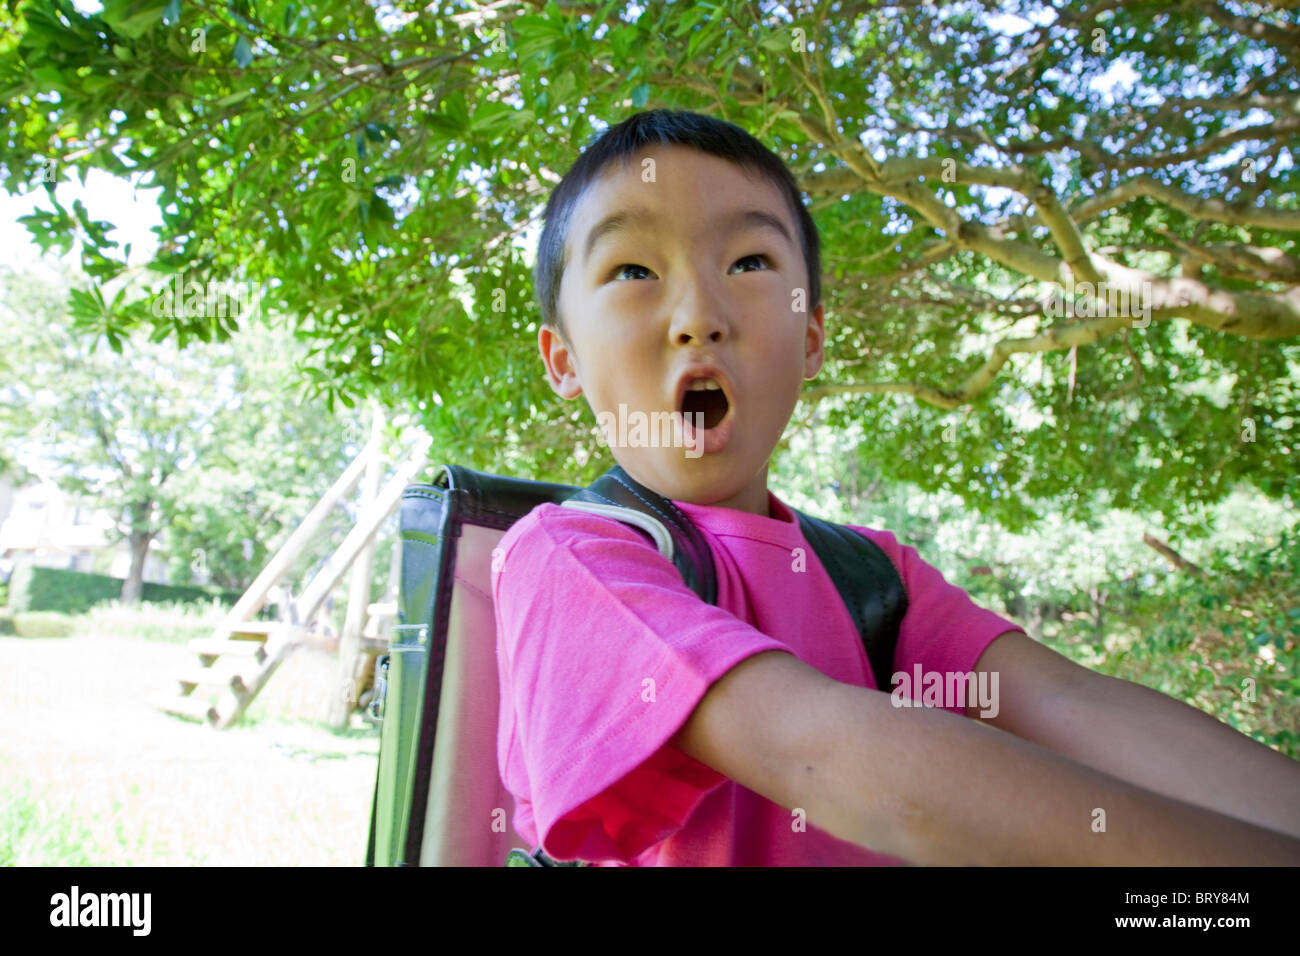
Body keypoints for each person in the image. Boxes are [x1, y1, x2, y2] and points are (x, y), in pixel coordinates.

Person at [490, 108, 1300, 866]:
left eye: (749, 261)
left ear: (811, 341)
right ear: (563, 360)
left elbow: (1069, 706)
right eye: (633, 268)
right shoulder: (570, 559)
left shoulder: (873, 577)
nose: (699, 314)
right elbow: (836, 759)